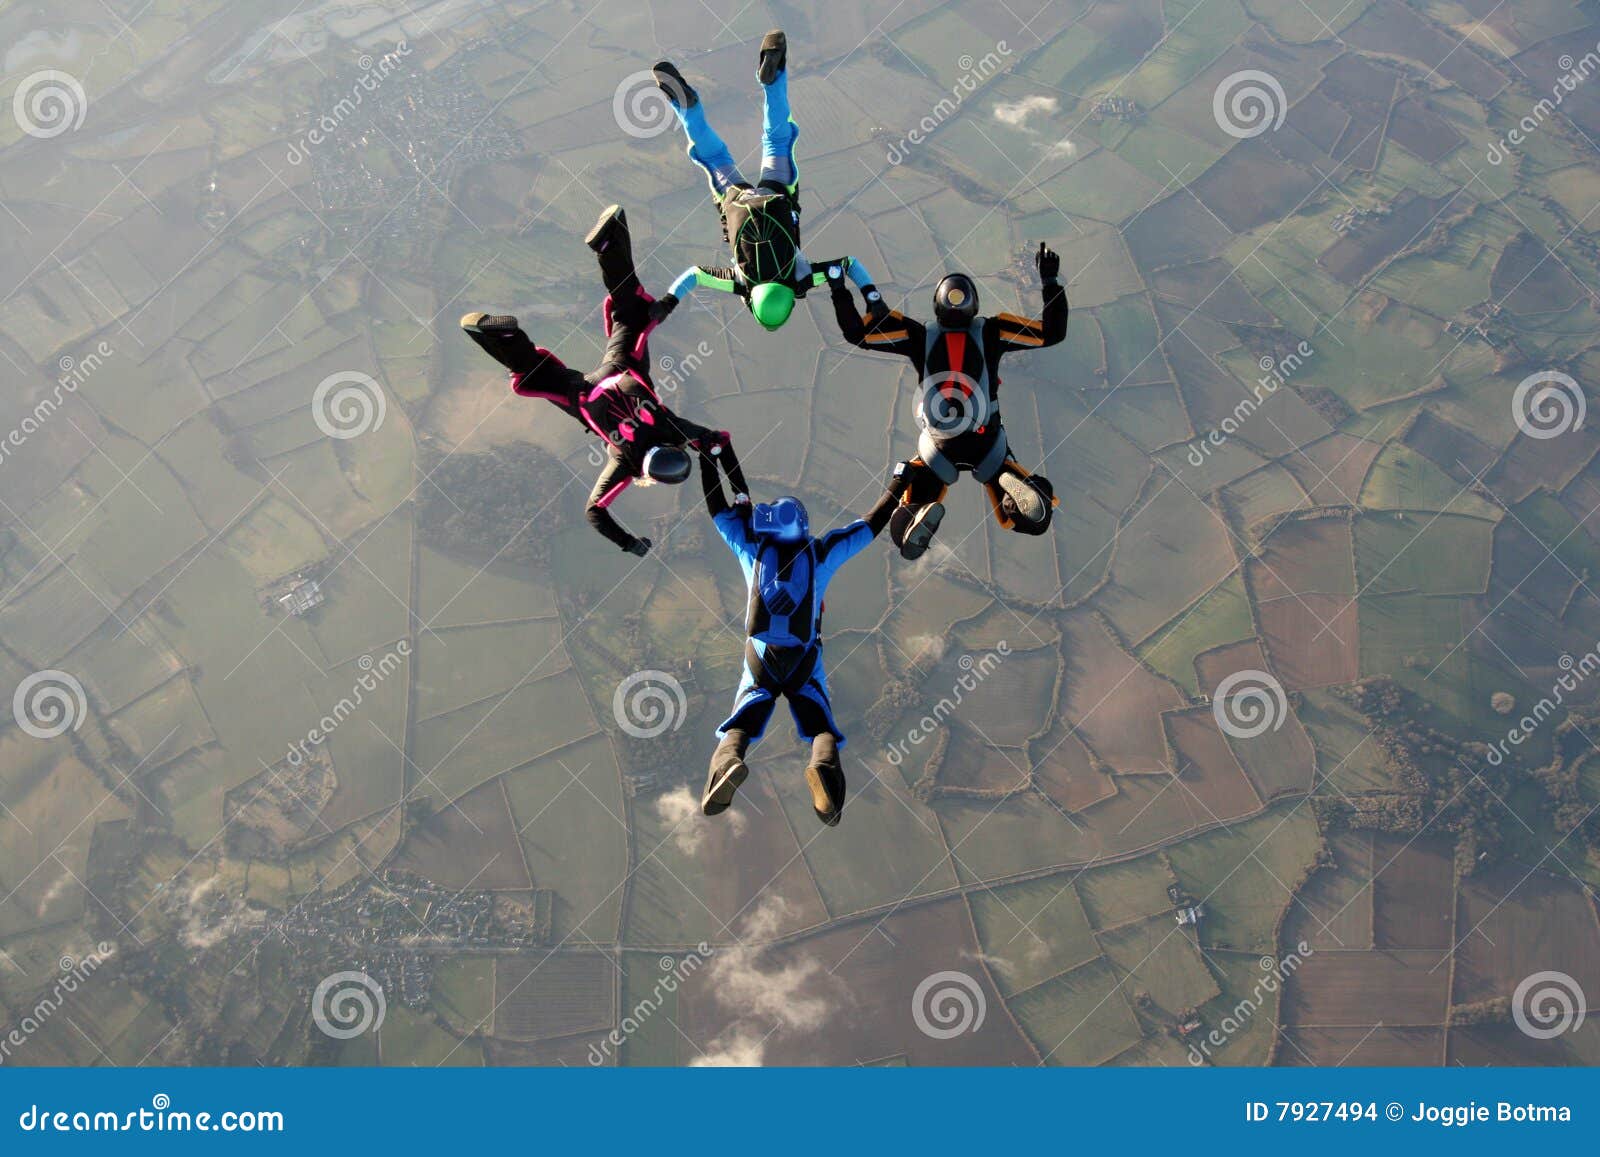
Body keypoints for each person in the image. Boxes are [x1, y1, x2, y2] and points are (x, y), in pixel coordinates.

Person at [460, 204, 748, 557]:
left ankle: (610, 241)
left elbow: (720, 442)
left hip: (623, 368)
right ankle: (499, 338)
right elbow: (595, 512)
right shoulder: (626, 464)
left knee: (631, 311)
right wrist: (630, 544)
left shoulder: (674, 431)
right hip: (582, 396)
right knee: (533, 372)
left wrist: (740, 492)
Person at [699, 455, 910, 826]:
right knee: (820, 727)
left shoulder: (751, 548)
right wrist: (899, 480)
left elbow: (716, 507)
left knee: (739, 726)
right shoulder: (820, 553)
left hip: (760, 658)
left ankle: (728, 761)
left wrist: (706, 458)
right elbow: (871, 524)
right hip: (804, 659)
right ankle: (823, 771)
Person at [827, 243, 1068, 558]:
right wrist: (1050, 281)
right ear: (975, 306)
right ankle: (1018, 500)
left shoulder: (917, 336)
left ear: (936, 306)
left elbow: (855, 333)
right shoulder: (993, 331)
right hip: (988, 443)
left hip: (939, 447)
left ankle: (915, 514)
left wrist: (839, 290)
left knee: (906, 522)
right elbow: (1052, 332)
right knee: (1036, 517)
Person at [649, 31, 888, 333]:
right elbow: (695, 275)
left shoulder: (801, 278)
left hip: (777, 193)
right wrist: (667, 303)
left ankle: (772, 82)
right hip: (735, 200)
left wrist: (873, 299)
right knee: (713, 155)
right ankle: (687, 108)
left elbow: (850, 264)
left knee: (776, 139)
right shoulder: (739, 283)